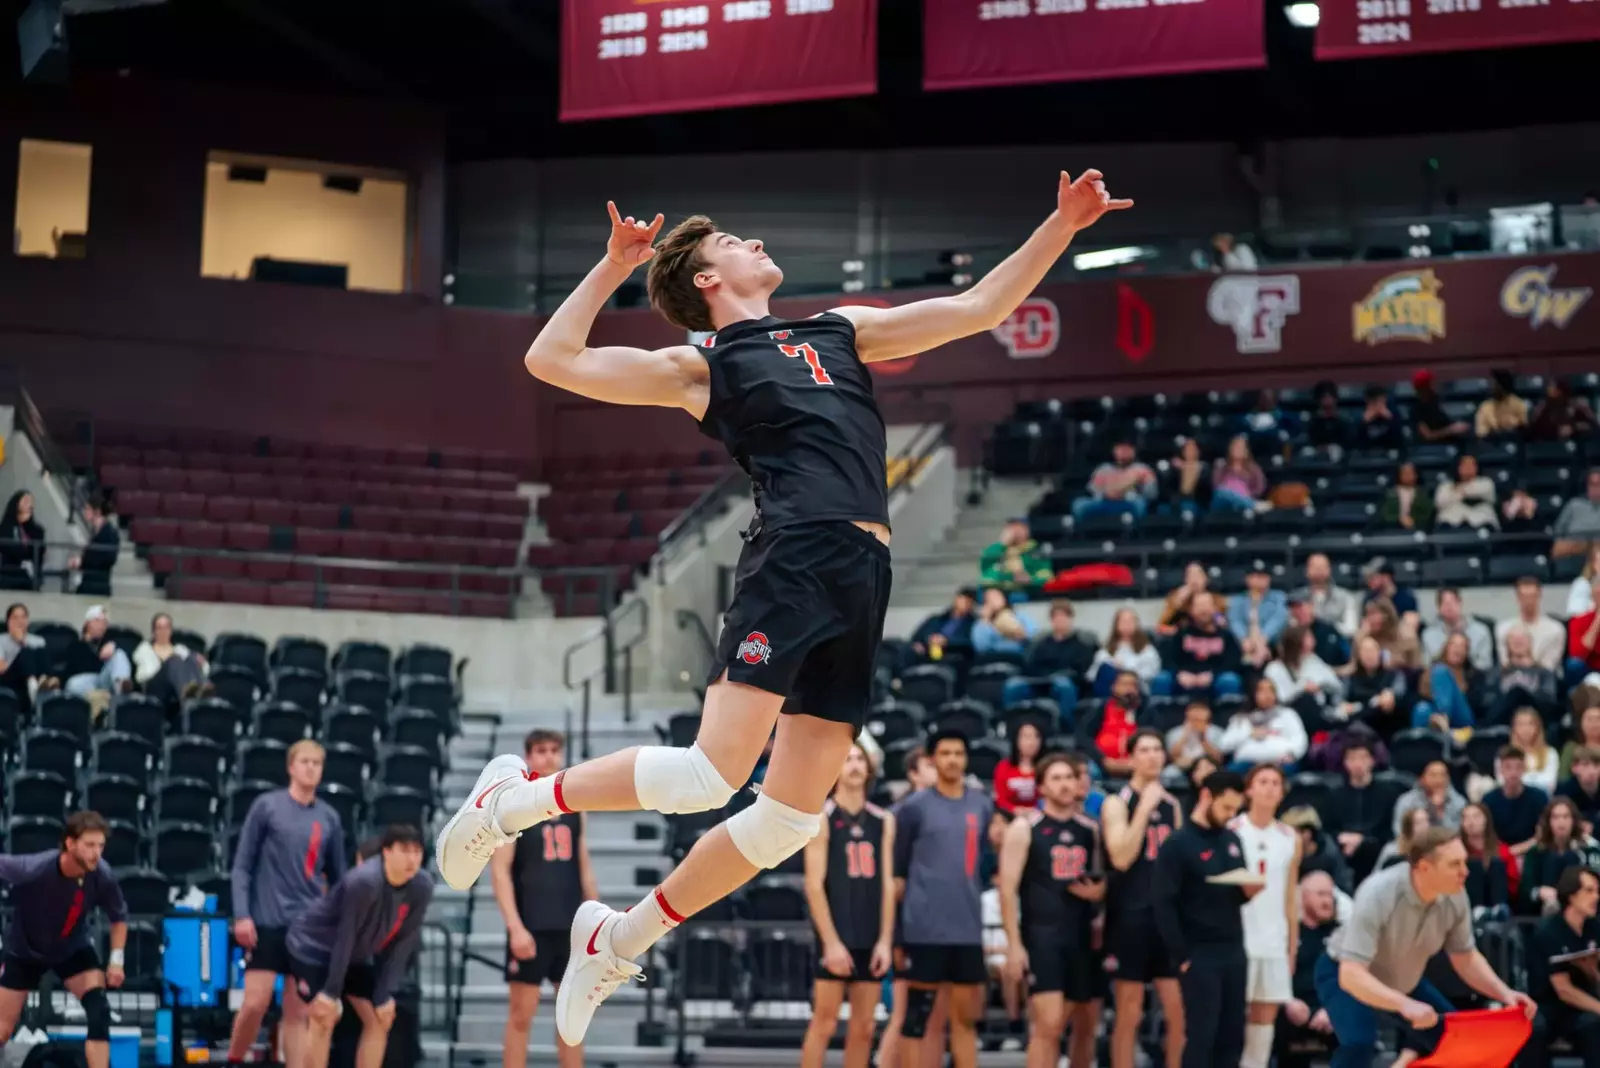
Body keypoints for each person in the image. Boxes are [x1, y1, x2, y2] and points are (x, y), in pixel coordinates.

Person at [433, 169, 1132, 1045]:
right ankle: (514, 802)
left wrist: (1062, 226)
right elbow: (552, 360)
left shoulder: (841, 328)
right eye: (733, 241)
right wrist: (614, 268)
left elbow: (981, 306)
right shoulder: (702, 366)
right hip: (795, 555)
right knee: (709, 776)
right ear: (706, 280)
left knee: (789, 822)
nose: (756, 241)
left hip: (863, 572)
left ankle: (618, 937)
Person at [1315, 827, 1536, 1068]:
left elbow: (1465, 957)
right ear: (1424, 867)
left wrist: (1504, 993)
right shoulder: (1378, 892)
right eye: (1454, 864)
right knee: (1359, 1043)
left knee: (1454, 1038)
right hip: (1344, 973)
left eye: (1464, 861)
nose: (1465, 871)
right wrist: (1404, 1004)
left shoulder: (1455, 894)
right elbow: (1351, 974)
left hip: (1402, 978)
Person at [228, 740, 349, 1064]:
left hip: (307, 929)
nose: (311, 768)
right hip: (267, 921)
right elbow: (242, 865)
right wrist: (242, 914)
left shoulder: (329, 818)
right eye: (305, 761)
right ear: (291, 767)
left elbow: (339, 878)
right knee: (255, 1003)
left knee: (298, 1013)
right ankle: (233, 1060)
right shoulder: (266, 807)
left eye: (317, 763)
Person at [286, 825, 433, 1068]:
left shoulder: (422, 886)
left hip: (353, 954)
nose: (412, 859)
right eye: (405, 851)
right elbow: (346, 936)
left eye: (417, 852)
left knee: (381, 1016)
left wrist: (384, 993)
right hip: (312, 947)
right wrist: (331, 992)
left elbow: (404, 942)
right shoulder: (365, 881)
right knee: (325, 1015)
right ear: (386, 852)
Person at [493, 731, 598, 1068]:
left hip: (570, 927)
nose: (550, 756)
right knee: (521, 1015)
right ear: (528, 757)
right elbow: (499, 872)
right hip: (531, 925)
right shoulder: (514, 807)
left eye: (555, 750)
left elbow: (584, 867)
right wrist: (514, 928)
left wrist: (597, 921)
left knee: (572, 1022)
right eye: (541, 750)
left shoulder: (575, 807)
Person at [892, 731, 993, 1068]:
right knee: (917, 1019)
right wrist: (896, 936)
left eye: (958, 753)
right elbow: (898, 874)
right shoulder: (913, 808)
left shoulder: (982, 804)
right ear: (933, 759)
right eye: (946, 753)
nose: (953, 760)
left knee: (965, 1020)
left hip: (967, 929)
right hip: (924, 929)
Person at [998, 753, 1105, 1068]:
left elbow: (1102, 881)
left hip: (1082, 936)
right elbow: (1007, 889)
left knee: (1086, 1025)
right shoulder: (1024, 827)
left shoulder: (1090, 829)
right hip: (1042, 936)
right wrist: (1014, 945)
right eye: (1056, 778)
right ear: (1042, 787)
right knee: (1049, 1024)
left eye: (1069, 777)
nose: (1065, 784)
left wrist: (1100, 892)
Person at [0, 812, 127, 1068]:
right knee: (2, 1029)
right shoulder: (34, 868)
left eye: (100, 846)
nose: (96, 853)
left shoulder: (102, 875)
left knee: (99, 1013)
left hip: (71, 949)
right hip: (25, 951)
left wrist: (116, 960)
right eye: (89, 845)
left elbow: (119, 918)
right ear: (70, 843)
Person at [1152, 770, 1258, 1068]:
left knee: (1232, 1036)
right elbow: (1163, 904)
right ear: (1206, 796)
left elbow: (1235, 893)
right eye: (1226, 807)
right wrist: (1181, 956)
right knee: (1202, 1037)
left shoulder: (1232, 839)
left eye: (1235, 809)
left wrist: (1248, 892)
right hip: (1199, 952)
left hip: (1233, 948)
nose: (1231, 814)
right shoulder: (1177, 844)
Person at [801, 743, 894, 1068]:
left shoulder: (884, 820)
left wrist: (885, 941)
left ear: (869, 768)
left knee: (865, 1027)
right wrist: (830, 943)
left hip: (869, 933)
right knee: (824, 1023)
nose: (854, 765)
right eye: (847, 759)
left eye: (859, 759)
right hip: (835, 932)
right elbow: (813, 885)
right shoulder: (822, 818)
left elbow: (887, 884)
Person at [1100, 729, 1185, 1068]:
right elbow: (1121, 857)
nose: (1152, 756)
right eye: (1145, 750)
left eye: (1157, 749)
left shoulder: (1173, 805)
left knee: (1179, 1011)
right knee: (1129, 1011)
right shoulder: (1116, 802)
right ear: (1131, 758)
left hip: (1166, 917)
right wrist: (1144, 809)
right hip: (1130, 915)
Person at [1230, 765, 1303, 1068]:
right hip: (1237, 937)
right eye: (1263, 781)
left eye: (1276, 782)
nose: (1270, 787)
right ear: (1249, 790)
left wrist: (1292, 947)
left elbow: (1290, 897)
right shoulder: (1231, 830)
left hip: (1274, 939)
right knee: (1231, 1016)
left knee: (1264, 1020)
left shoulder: (1290, 837)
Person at [1527, 866, 1600, 1066]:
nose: (1596, 897)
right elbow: (1564, 990)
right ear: (1571, 895)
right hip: (1550, 1007)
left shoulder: (1594, 928)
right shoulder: (1549, 932)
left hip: (1582, 1006)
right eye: (1589, 890)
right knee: (1536, 1028)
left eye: (1597, 891)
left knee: (1592, 1024)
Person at [1276, 871, 1340, 1068]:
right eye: (1321, 894)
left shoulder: (1341, 934)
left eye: (1330, 895)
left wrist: (1332, 1009)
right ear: (1303, 897)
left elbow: (1354, 979)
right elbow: (1274, 974)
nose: (1327, 901)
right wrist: (1287, 1001)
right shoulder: (1286, 933)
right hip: (1294, 1007)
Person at [1004, 600, 1094, 712]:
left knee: (1063, 686)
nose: (1059, 620)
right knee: (1013, 685)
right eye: (1056, 617)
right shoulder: (1041, 642)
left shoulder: (1081, 643)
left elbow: (1079, 670)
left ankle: (1067, 721)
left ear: (1071, 619)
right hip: (1039, 679)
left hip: (1065, 679)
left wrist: (1060, 675)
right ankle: (1011, 719)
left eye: (1063, 617)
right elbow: (1030, 665)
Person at [1324, 740, 1389, 883]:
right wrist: (1342, 838)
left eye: (1363, 758)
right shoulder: (1334, 794)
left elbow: (1387, 830)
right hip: (1341, 848)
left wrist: (1362, 841)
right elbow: (1328, 827)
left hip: (1375, 849)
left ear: (1372, 761)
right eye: (1352, 759)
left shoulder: (1386, 793)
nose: (1358, 763)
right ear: (1345, 763)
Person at [1522, 797, 1600, 916]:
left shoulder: (1589, 848)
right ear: (1548, 821)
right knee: (1553, 858)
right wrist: (1539, 892)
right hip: (1544, 907)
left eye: (1565, 817)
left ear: (1573, 820)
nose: (1561, 822)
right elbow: (1526, 888)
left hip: (1583, 906)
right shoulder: (1536, 851)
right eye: (1556, 817)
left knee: (1570, 856)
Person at [1160, 591, 1244, 700]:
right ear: (1191, 610)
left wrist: (1213, 675)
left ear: (1214, 608)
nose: (1203, 610)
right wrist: (1179, 674)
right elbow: (1168, 658)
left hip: (1215, 677)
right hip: (1185, 676)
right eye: (1199, 606)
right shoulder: (1181, 633)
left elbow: (1234, 660)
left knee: (1229, 680)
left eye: (1207, 605)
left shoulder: (1225, 634)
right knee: (1162, 680)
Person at [1218, 677, 1308, 771]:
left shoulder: (1287, 714)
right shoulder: (1241, 718)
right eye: (1262, 691)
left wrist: (1292, 754)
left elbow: (1300, 740)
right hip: (1248, 763)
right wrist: (1249, 733)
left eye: (1271, 690)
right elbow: (1224, 745)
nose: (1267, 695)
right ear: (1253, 694)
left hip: (1280, 761)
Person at [1341, 634, 1412, 743]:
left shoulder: (1394, 675)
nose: (1369, 655)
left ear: (1380, 653)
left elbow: (1399, 693)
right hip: (1358, 726)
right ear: (1358, 655)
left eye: (1372, 650)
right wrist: (1344, 706)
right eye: (1365, 651)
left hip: (1386, 724)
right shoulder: (1350, 679)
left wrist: (1390, 695)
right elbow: (1341, 701)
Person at [1484, 745, 1550, 856]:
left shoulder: (1539, 797)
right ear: (1500, 770)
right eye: (1508, 767)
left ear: (1524, 769)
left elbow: (1543, 834)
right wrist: (1506, 853)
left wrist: (1517, 850)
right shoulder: (1489, 800)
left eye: (1518, 767)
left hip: (1532, 852)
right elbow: (1487, 836)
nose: (1513, 773)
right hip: (1499, 855)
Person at [1072, 438, 1157, 522]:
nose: (1124, 451)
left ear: (1134, 451)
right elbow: (1093, 491)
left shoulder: (1142, 469)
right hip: (1104, 502)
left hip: (1128, 502)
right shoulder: (1103, 468)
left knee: (1140, 504)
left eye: (1128, 448)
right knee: (1079, 504)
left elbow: (1151, 495)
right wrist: (1108, 494)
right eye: (1121, 448)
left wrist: (1141, 482)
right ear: (1114, 451)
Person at [1417, 631, 1486, 731]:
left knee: (1441, 671)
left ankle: (1443, 716)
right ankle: (1423, 739)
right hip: (1434, 713)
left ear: (1467, 652)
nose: (1457, 649)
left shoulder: (1474, 675)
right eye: (1453, 644)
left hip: (1462, 717)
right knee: (1421, 710)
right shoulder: (1431, 671)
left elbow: (1476, 704)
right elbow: (1421, 696)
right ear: (1446, 648)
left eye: (1462, 646)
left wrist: (1454, 691)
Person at [62, 604, 133, 700]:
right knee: (73, 684)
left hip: (105, 679)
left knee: (119, 654)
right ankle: (100, 696)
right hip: (86, 682)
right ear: (87, 623)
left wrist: (115, 646)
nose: (101, 625)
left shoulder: (108, 642)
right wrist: (99, 658)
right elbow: (74, 668)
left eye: (105, 622)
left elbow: (128, 652)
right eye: (97, 621)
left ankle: (122, 686)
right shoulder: (75, 645)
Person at [1498, 576, 1568, 672]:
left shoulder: (1556, 629)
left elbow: (1548, 667)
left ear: (1539, 596)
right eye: (1524, 596)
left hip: (1544, 678)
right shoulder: (1503, 629)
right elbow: (1505, 664)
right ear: (1517, 597)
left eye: (1532, 596)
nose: (1528, 601)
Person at [1088, 605, 1161, 695]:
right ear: (1116, 624)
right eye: (1123, 621)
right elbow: (1092, 675)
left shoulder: (1147, 650)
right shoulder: (1106, 649)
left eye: (1130, 621)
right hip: (1111, 688)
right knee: (1106, 669)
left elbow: (1151, 674)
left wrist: (1124, 670)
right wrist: (1113, 665)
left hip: (1136, 689)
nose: (1127, 624)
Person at [1228, 565, 1288, 670]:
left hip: (1271, 643)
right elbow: (1234, 621)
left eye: (1263, 576)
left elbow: (1279, 618)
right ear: (1247, 579)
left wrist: (1263, 638)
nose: (1259, 580)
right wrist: (1243, 639)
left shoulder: (1279, 597)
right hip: (1245, 644)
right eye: (1254, 576)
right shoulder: (1238, 599)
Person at [1422, 588, 1494, 673]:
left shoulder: (1480, 631)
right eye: (1445, 603)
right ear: (1438, 608)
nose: (1449, 607)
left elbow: (1485, 665)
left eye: (1452, 602)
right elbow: (1427, 666)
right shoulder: (1429, 635)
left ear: (1460, 603)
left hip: (1473, 676)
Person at [1458, 802, 1513, 911]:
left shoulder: (1501, 849)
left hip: (1497, 899)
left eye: (1476, 817)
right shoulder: (1455, 849)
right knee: (1474, 865)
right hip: (1466, 900)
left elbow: (1512, 885)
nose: (1471, 822)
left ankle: (1498, 909)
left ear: (1486, 820)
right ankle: (1478, 911)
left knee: (1496, 864)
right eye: (1466, 818)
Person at [1392, 760, 1467, 835]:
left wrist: (1440, 812)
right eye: (1433, 775)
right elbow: (1399, 832)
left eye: (1443, 775)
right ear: (1422, 779)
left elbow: (1459, 834)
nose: (1439, 780)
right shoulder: (1407, 802)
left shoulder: (1458, 802)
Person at [908, 588, 978, 664]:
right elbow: (915, 637)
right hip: (926, 652)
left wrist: (946, 641)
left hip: (951, 655)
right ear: (956, 599)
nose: (966, 604)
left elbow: (969, 643)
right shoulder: (936, 619)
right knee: (905, 649)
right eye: (964, 600)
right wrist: (924, 641)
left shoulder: (973, 624)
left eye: (970, 602)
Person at [980, 518, 1053, 590]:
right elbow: (987, 572)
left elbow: (1046, 576)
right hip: (1001, 589)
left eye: (1018, 528)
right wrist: (1002, 543)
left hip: (1028, 590)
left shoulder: (1035, 550)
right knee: (991, 593)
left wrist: (1030, 580)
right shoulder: (998, 549)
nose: (1014, 532)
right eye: (1011, 528)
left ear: (1026, 530)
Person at [1293, 553, 1355, 637]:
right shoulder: (1295, 599)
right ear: (1307, 571)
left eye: (1322, 566)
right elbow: (1290, 629)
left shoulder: (1345, 597)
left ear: (1329, 570)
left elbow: (1351, 629)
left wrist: (1320, 621)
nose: (1319, 570)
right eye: (1314, 566)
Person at [68, 495, 119, 596]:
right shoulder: (95, 531)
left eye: (88, 509)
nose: (85, 511)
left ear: (97, 511)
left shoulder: (110, 533)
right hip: (88, 583)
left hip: (99, 585)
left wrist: (81, 562)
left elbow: (108, 558)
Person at [1434, 454, 1499, 531]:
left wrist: (1456, 491)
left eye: (1472, 465)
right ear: (1458, 467)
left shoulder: (1486, 482)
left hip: (1482, 522)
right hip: (1452, 523)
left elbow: (1476, 491)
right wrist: (1460, 492)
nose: (1469, 467)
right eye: (1465, 465)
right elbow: (1439, 503)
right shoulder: (1445, 486)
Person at [992, 720, 1044, 814]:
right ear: (1016, 740)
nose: (1032, 742)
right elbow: (1000, 799)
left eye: (1036, 737)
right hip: (1009, 815)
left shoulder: (1046, 768)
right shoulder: (1003, 767)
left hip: (1040, 815)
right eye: (1026, 737)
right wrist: (1014, 810)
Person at [0, 489, 45, 590]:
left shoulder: (37, 530)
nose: (29, 504)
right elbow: (9, 549)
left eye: (30, 502)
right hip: (10, 573)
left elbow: (39, 552)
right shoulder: (6, 527)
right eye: (25, 501)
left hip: (30, 574)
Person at [1410, 369, 1471, 444]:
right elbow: (1428, 436)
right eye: (1431, 382)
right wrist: (1452, 430)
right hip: (1430, 447)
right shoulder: (1416, 409)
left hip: (1450, 443)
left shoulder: (1436, 400)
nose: (1435, 384)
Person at [1360, 559, 1420, 633]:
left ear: (1386, 577)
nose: (1368, 581)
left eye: (1372, 577)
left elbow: (1411, 622)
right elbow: (1364, 624)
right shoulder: (1369, 598)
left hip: (1399, 635)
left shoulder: (1406, 597)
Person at [1211, 435, 1266, 514]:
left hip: (1243, 500)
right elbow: (1216, 487)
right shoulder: (1221, 466)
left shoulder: (1254, 469)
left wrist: (1246, 495)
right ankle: (1253, 505)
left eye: (1240, 447)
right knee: (1222, 492)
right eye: (1235, 446)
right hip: (1222, 502)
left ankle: (1246, 504)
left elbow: (1260, 488)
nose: (1237, 449)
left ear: (1246, 451)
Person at [1529, 378, 1598, 441]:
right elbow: (1535, 430)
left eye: (1555, 391)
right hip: (1551, 443)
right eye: (1549, 391)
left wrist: (1573, 427)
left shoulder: (1578, 406)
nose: (1551, 395)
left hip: (1578, 441)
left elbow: (1592, 426)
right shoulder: (1544, 407)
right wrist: (1556, 429)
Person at [1554, 471, 1600, 560]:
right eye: (1592, 484)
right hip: (1574, 546)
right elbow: (1558, 531)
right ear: (1586, 486)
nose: (1596, 488)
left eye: (1599, 484)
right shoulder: (1573, 504)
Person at [1382, 461, 1436, 532]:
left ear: (1416, 475)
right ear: (1399, 475)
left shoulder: (1423, 493)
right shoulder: (1390, 493)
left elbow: (1428, 513)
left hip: (1418, 528)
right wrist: (1400, 520)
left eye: (1410, 473)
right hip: (1393, 528)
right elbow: (1385, 514)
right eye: (1405, 473)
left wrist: (1413, 520)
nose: (1408, 476)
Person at [1475, 369, 1530, 438]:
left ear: (1503, 385)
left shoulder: (1518, 403)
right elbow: (1480, 432)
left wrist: (1512, 424)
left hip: (1514, 439)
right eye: (1492, 384)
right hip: (1493, 441)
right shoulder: (1485, 407)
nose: (1492, 387)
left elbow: (1524, 427)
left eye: (1495, 384)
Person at [1558, 746, 1600, 831]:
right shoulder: (1564, 789)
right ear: (1574, 768)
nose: (1592, 771)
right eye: (1585, 765)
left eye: (1596, 765)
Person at [1355, 385, 1404, 452]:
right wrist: (1364, 423)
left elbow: (1400, 441)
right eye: (1376, 403)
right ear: (1368, 402)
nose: (1380, 406)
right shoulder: (1359, 419)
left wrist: (1390, 419)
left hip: (1389, 454)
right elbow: (1356, 445)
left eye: (1383, 402)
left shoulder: (1393, 416)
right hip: (1367, 455)